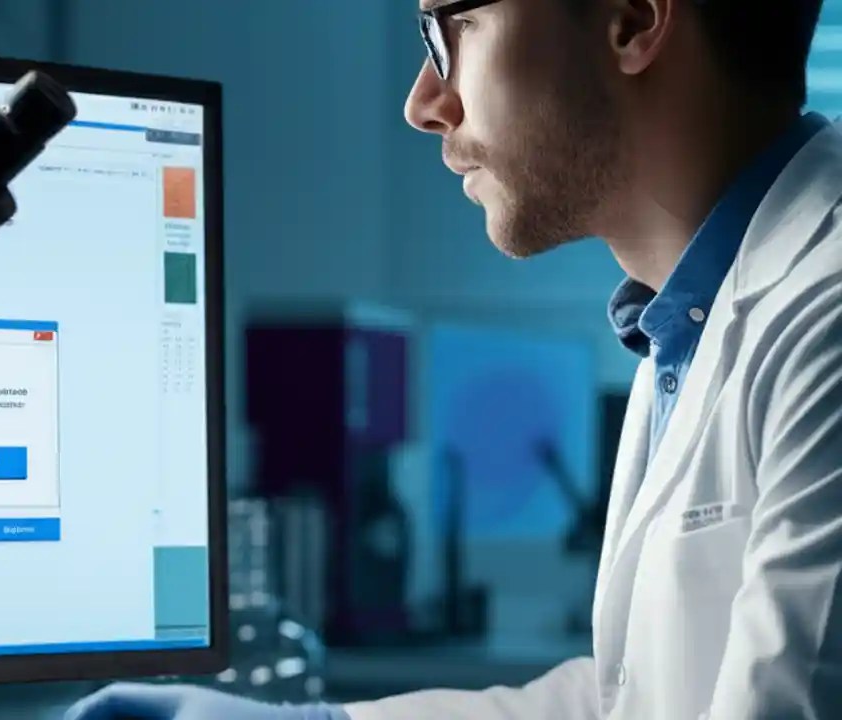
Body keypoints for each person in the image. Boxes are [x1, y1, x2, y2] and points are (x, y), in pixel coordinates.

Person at [66, 0, 842, 716]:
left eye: (451, 25)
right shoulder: (690, 318)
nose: (423, 103)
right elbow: (628, 694)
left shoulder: (824, 316)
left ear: (631, 21)